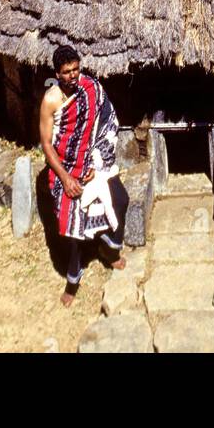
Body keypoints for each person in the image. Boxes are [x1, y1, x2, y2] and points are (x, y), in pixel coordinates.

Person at [39, 43, 130, 305]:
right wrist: (67, 178)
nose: (73, 76)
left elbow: (107, 119)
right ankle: (73, 281)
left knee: (120, 199)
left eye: (76, 69)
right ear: (57, 73)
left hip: (92, 163)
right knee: (74, 226)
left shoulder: (90, 88)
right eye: (67, 72)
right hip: (64, 170)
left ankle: (109, 250)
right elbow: (47, 143)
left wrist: (96, 161)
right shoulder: (51, 100)